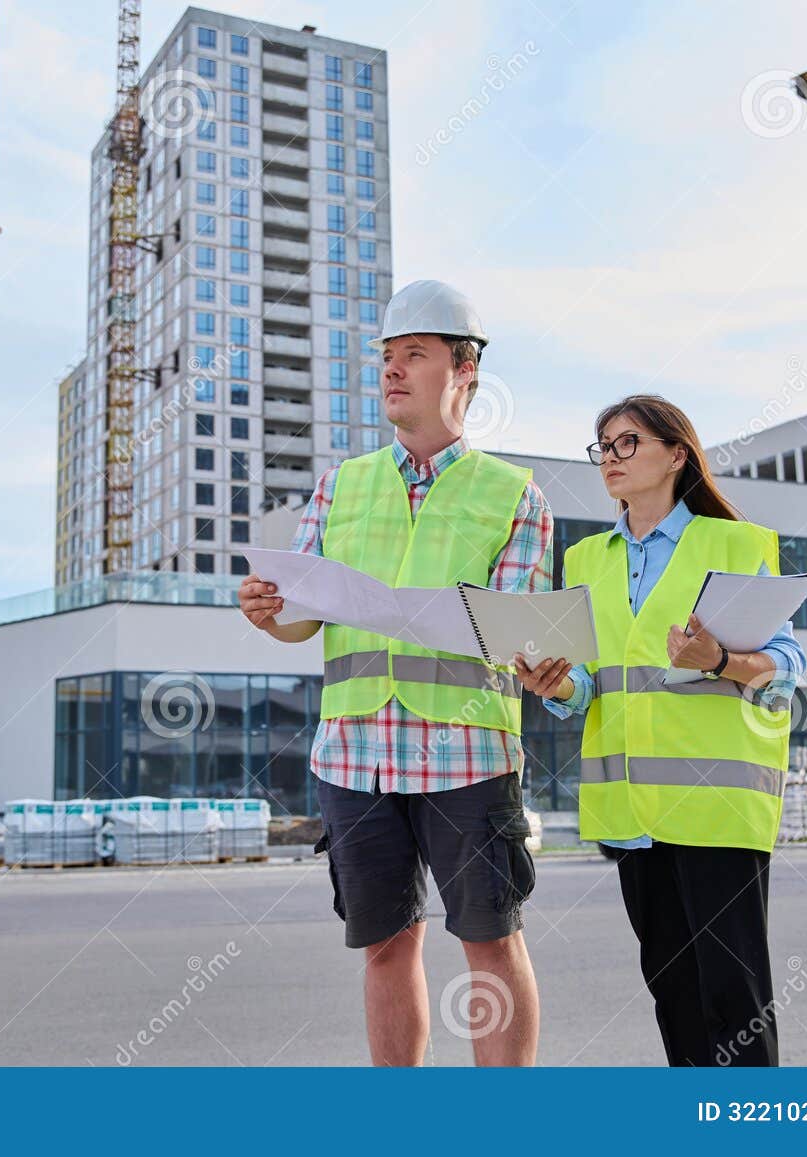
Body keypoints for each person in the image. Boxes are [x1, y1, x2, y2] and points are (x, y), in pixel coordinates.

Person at [238, 280, 547, 1066]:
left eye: (415, 354)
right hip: (354, 753)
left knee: (491, 942)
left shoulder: (513, 494)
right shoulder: (340, 485)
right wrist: (270, 608)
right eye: (386, 358)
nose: (393, 371)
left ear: (464, 370)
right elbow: (303, 614)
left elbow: (517, 626)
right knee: (384, 945)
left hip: (467, 753)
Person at [515, 393, 806, 1067]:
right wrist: (554, 682)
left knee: (733, 994)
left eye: (627, 443)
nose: (610, 458)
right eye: (603, 446)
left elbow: (787, 667)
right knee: (671, 988)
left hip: (717, 810)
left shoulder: (732, 545)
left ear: (677, 454)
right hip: (634, 811)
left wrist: (722, 661)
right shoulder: (586, 558)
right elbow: (590, 683)